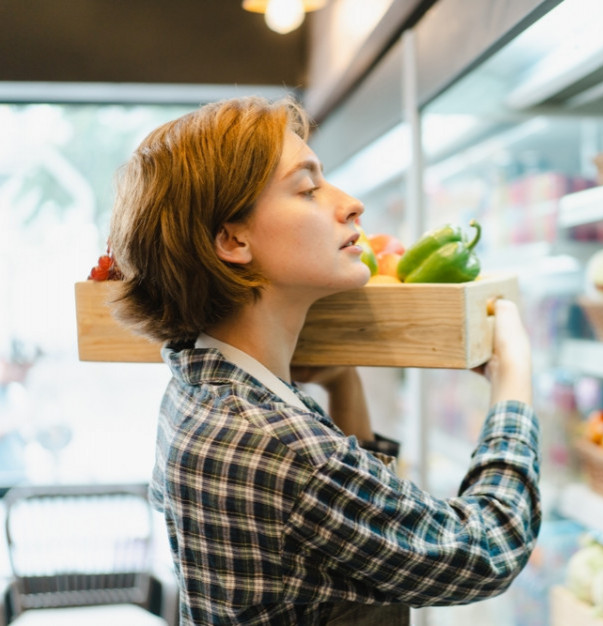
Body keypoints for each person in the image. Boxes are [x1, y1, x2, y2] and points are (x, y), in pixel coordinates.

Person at [107, 96, 540, 625]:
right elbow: (487, 550)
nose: (352, 203)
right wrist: (513, 383)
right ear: (232, 238)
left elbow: (347, 541)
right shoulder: (278, 444)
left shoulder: (197, 380)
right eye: (308, 189)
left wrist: (344, 386)